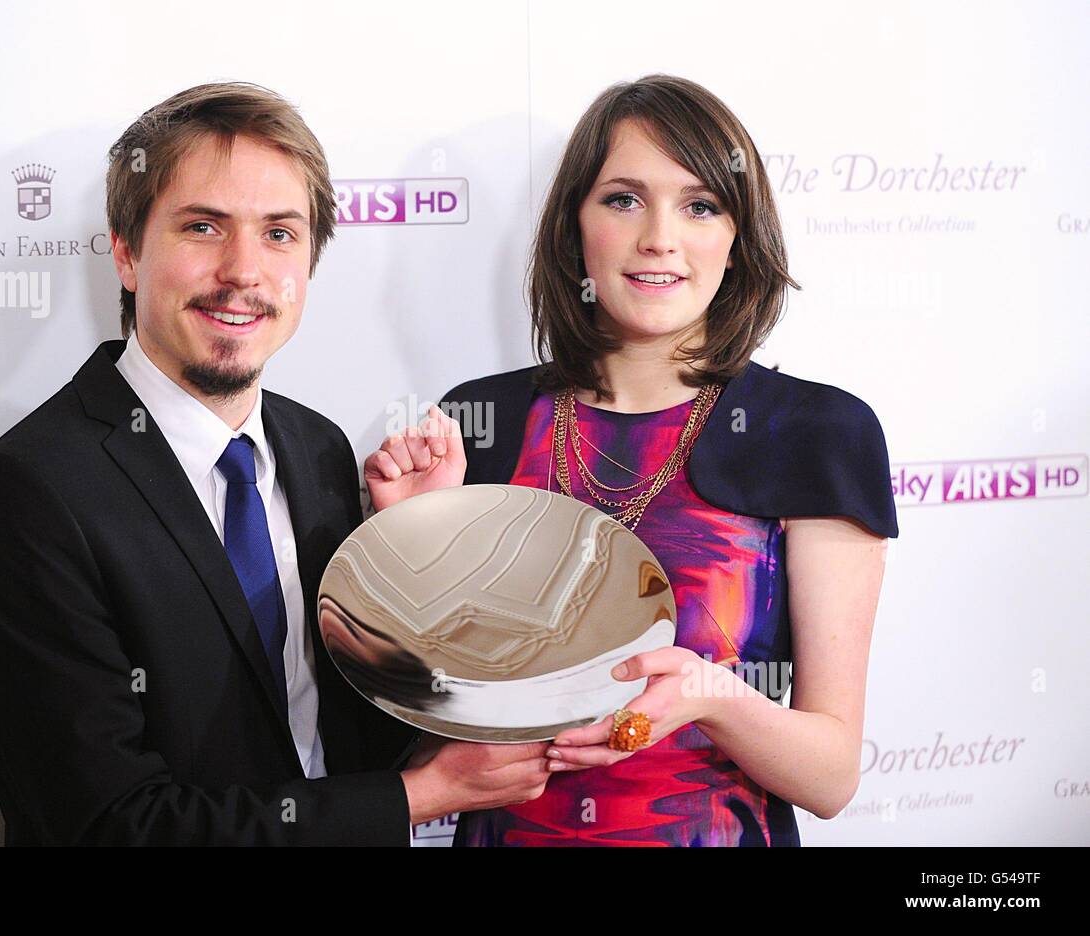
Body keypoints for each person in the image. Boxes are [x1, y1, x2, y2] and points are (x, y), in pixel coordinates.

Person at [0, 82, 551, 846]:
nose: (244, 271)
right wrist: (417, 798)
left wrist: (410, 552)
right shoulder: (25, 496)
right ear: (127, 252)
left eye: (279, 234)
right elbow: (106, 826)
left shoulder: (319, 450)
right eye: (204, 227)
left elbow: (351, 736)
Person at [365, 74, 898, 846]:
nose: (659, 237)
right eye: (622, 199)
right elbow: (423, 738)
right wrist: (416, 543)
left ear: (737, 237)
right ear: (575, 225)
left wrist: (714, 696)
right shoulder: (477, 424)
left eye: (700, 205)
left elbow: (830, 778)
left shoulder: (817, 431)